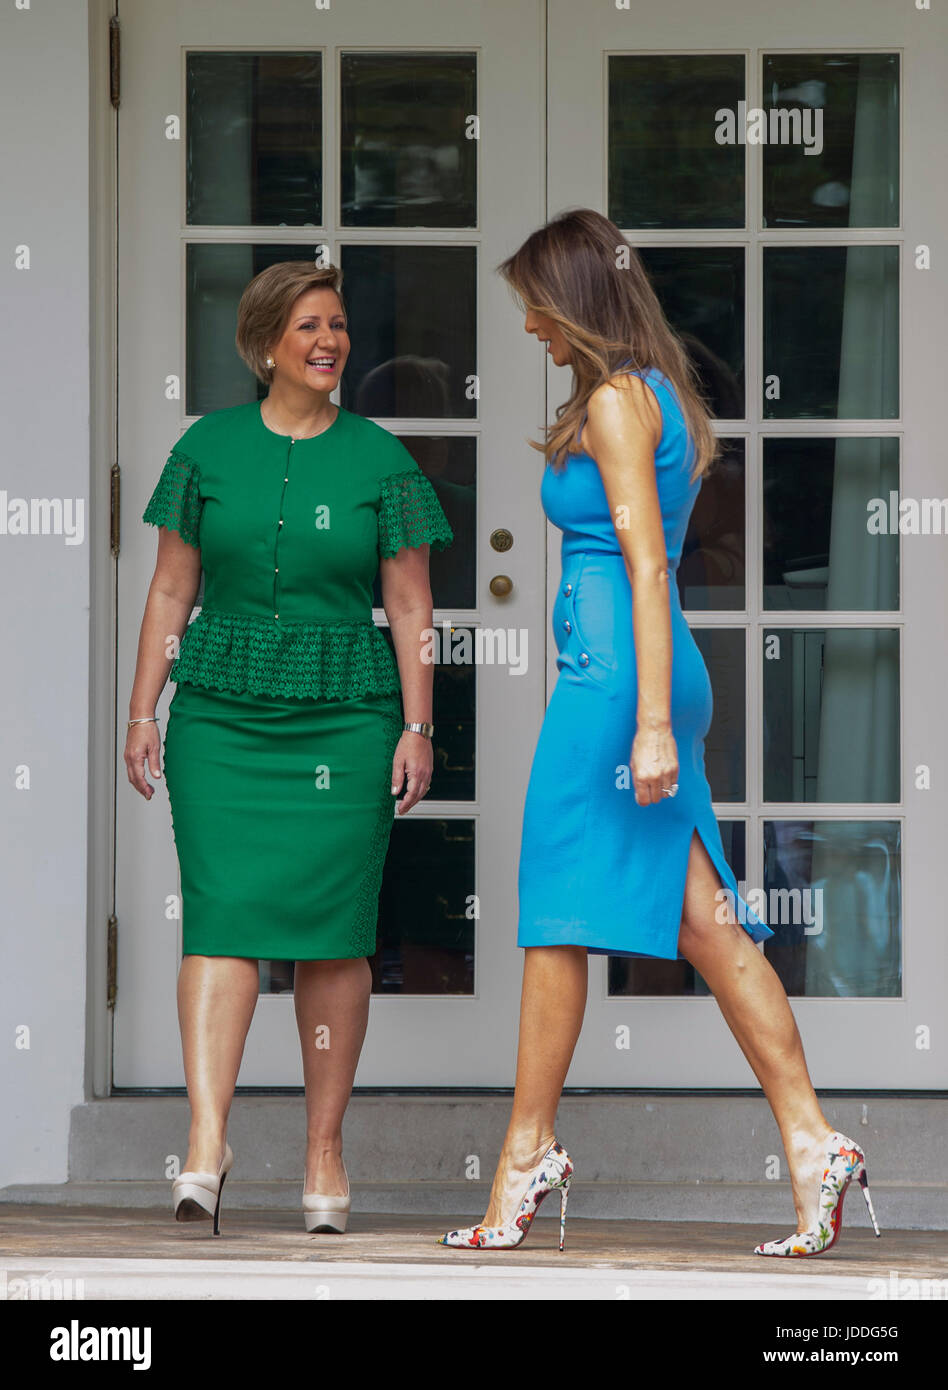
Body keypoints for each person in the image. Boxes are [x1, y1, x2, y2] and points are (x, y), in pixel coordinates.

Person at [438, 210, 880, 1257]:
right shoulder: (649, 393)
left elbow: (645, 564)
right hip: (634, 679)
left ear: (576, 299)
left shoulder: (616, 404)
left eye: (538, 306)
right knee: (709, 923)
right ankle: (816, 1144)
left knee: (554, 909)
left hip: (615, 690)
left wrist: (646, 726)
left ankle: (526, 1152)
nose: (532, 326)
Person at [125, 261, 452, 1236]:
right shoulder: (205, 450)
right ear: (267, 343)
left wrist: (418, 722)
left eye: (340, 326)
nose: (330, 341)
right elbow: (170, 592)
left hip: (344, 715)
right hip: (219, 717)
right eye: (310, 325)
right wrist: (144, 709)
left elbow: (409, 604)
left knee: (334, 934)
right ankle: (207, 1142)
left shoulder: (381, 460)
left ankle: (323, 1150)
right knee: (221, 921)